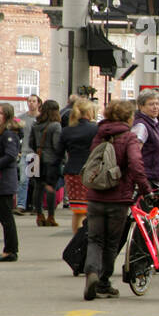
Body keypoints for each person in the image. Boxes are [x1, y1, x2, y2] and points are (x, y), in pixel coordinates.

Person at [83, 99, 152, 299]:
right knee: (112, 242)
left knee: (94, 239)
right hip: (118, 199)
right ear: (128, 117)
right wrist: (146, 189)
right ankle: (104, 282)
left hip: (96, 195)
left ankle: (92, 273)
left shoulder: (99, 135)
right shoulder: (129, 137)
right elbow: (137, 166)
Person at [0, 102, 23, 261]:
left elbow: (10, 155)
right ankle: (10, 248)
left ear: (7, 115)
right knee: (4, 216)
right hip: (1, 179)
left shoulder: (9, 134)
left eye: (0, 113)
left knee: (6, 216)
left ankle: (10, 250)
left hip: (4, 179)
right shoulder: (1, 132)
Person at [57, 99, 98, 236]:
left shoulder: (66, 131)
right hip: (91, 172)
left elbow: (59, 154)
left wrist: (53, 177)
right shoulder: (95, 129)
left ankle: (76, 241)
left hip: (72, 173)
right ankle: (86, 242)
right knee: (90, 210)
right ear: (90, 112)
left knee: (78, 211)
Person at [30, 99, 64, 226]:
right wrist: (62, 158)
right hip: (51, 161)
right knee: (51, 187)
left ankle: (39, 215)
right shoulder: (56, 125)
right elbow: (57, 145)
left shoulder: (35, 124)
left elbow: (30, 143)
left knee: (37, 188)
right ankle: (50, 217)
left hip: (35, 159)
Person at [131, 90, 159, 189]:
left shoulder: (154, 123)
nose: (155, 107)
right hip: (147, 179)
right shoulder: (141, 126)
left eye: (157, 104)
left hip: (155, 178)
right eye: (151, 104)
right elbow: (134, 154)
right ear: (141, 106)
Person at [17, 93, 40, 213]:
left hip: (35, 154)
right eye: (29, 101)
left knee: (35, 180)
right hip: (25, 152)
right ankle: (21, 205)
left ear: (38, 103)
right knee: (23, 179)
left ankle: (35, 205)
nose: (31, 103)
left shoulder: (40, 119)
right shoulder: (21, 118)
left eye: (33, 101)